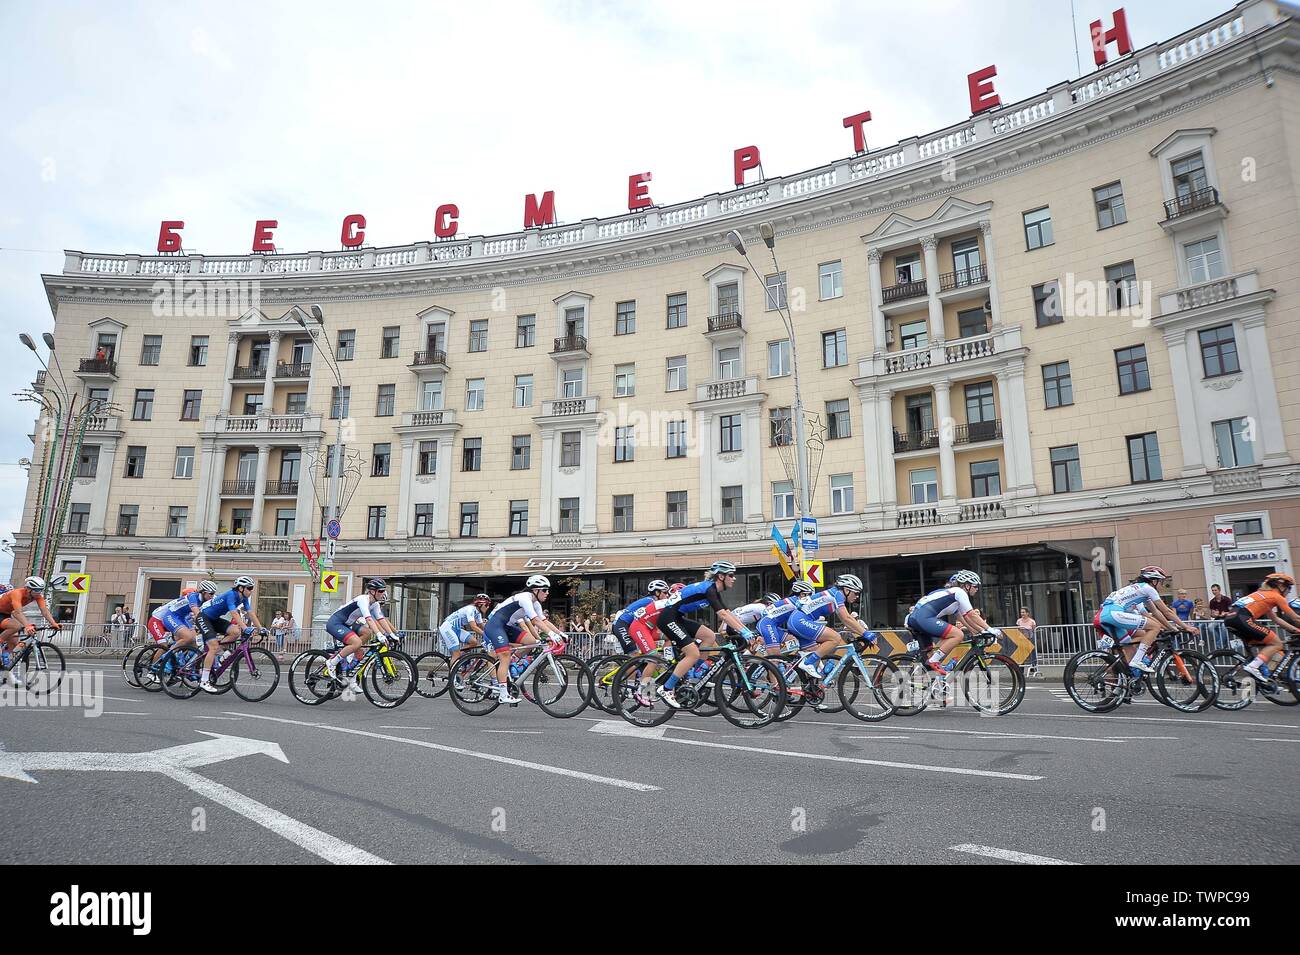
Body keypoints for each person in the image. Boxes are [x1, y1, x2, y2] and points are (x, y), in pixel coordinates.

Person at [653, 561, 756, 710]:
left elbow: (728, 613)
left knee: (709, 636)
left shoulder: (713, 589)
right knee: (693, 653)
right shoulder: (710, 589)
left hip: (677, 617)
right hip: (668, 618)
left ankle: (698, 673)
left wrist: (746, 630)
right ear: (720, 576)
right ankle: (667, 688)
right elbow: (722, 615)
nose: (734, 579)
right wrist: (744, 632)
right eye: (731, 575)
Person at [483, 576, 569, 704]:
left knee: (533, 642)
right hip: (495, 626)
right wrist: (551, 634)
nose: (547, 593)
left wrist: (560, 633)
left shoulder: (536, 603)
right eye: (544, 590)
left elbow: (544, 621)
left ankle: (512, 663)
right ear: (535, 590)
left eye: (547, 590)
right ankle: (502, 694)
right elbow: (535, 621)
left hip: (507, 627)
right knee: (505, 656)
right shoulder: (525, 598)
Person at [1095, 566, 1195, 674]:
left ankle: (1125, 686)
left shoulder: (1140, 589)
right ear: (1154, 581)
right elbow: (1167, 612)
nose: (1162, 585)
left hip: (1104, 615)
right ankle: (1138, 660)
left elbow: (1156, 613)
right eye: (1161, 582)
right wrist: (1186, 627)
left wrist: (1171, 627)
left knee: (1128, 647)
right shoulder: (1148, 588)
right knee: (1155, 627)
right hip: (1114, 613)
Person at [904, 571, 999, 674]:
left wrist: (978, 631)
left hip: (916, 619)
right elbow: (972, 614)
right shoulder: (959, 592)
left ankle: (934, 683)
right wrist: (991, 630)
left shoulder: (954, 600)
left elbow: (966, 618)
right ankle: (933, 661)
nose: (977, 589)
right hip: (923, 618)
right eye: (975, 586)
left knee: (930, 656)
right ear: (967, 586)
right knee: (958, 634)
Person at [792, 575, 877, 679]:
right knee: (835, 638)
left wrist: (861, 632)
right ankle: (807, 663)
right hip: (800, 621)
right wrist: (866, 633)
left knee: (817, 650)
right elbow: (846, 618)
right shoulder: (837, 595)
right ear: (846, 590)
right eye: (856, 593)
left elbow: (846, 621)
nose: (857, 596)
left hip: (799, 620)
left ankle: (808, 688)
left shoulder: (834, 594)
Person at [323, 578, 399, 691]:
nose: (383, 594)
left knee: (365, 640)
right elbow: (369, 620)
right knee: (357, 642)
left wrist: (392, 634)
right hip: (336, 623)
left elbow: (381, 619)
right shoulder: (363, 599)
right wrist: (380, 635)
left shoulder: (375, 604)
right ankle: (331, 662)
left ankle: (351, 679)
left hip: (348, 625)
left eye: (384, 591)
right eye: (380, 591)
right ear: (372, 591)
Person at [1225, 573, 1300, 684]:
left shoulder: (1262, 595)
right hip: (1242, 618)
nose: (1289, 591)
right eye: (1289, 588)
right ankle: (1253, 667)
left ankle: (1265, 678)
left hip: (1230, 619)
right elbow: (1296, 618)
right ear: (1281, 586)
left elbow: (1276, 619)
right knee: (1277, 643)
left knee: (1268, 646)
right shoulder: (1277, 597)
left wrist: (1296, 631)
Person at [194, 576, 266, 693]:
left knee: (235, 632)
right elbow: (234, 613)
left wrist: (261, 628)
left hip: (214, 619)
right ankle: (204, 681)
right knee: (213, 646)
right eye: (250, 588)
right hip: (204, 617)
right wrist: (245, 628)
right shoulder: (231, 595)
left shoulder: (243, 598)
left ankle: (216, 654)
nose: (251, 590)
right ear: (241, 588)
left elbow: (251, 613)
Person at [0, 577, 62, 688]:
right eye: (36, 590)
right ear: (28, 589)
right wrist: (27, 626)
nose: (39, 593)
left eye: (40, 590)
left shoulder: (37, 596)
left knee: (14, 644)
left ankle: (6, 672)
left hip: (6, 614)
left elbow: (44, 611)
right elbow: (17, 612)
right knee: (16, 625)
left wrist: (54, 623)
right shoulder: (16, 593)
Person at [611, 581, 670, 654]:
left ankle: (664, 660)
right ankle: (633, 664)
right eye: (665, 592)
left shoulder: (653, 602)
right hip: (621, 625)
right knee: (634, 653)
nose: (667, 595)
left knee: (669, 637)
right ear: (657, 593)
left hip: (631, 626)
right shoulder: (651, 602)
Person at [439, 593, 491, 667]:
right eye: (486, 605)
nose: (488, 607)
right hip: (447, 628)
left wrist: (491, 633)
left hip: (456, 629)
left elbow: (482, 626)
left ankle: (458, 657)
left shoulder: (478, 613)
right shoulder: (470, 609)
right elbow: (473, 627)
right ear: (480, 605)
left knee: (473, 642)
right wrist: (485, 635)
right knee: (455, 653)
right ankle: (452, 676)